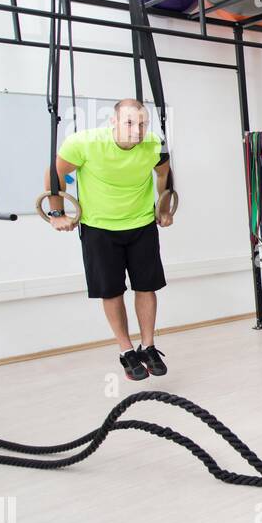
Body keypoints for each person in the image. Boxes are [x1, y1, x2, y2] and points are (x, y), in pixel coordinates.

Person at [45, 99, 173, 382]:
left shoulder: (154, 144)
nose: (137, 130)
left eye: (142, 124)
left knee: (146, 287)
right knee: (112, 291)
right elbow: (57, 173)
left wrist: (163, 208)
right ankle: (126, 350)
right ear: (113, 122)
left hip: (141, 224)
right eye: (129, 123)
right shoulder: (83, 143)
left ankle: (148, 346)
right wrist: (56, 212)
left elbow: (163, 172)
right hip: (99, 228)